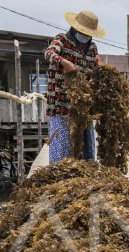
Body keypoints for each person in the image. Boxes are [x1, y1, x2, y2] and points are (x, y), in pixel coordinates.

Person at [44, 9, 105, 163]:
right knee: (63, 149)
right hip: (61, 104)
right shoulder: (62, 40)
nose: (85, 35)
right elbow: (49, 53)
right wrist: (63, 62)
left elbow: (95, 70)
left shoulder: (93, 48)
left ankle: (84, 177)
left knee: (86, 149)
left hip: (83, 107)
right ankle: (59, 175)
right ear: (75, 28)